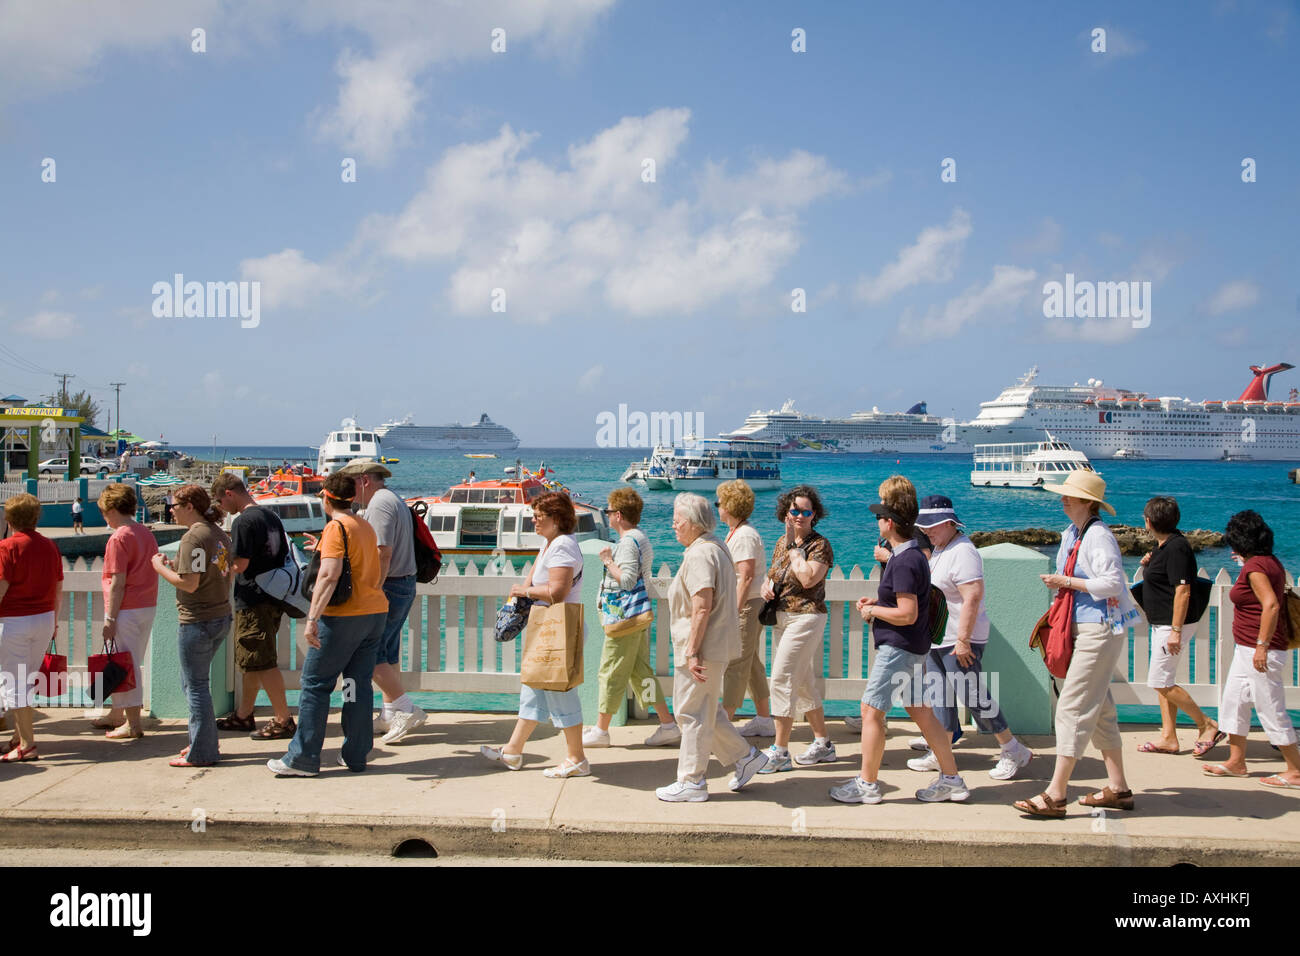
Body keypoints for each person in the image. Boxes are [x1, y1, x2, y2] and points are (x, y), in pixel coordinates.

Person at [831, 477, 970, 804]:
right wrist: (878, 605)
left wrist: (874, 611)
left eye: (879, 516)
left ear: (889, 522)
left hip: (900, 647)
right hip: (915, 648)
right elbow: (907, 606)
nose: (877, 521)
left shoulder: (904, 560)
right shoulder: (911, 556)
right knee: (921, 710)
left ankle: (867, 785)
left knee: (870, 710)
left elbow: (907, 613)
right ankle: (952, 780)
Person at [1014, 471, 1141, 817]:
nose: (1063, 499)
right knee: (1100, 710)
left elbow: (1113, 583)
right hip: (1084, 628)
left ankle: (1056, 794)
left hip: (1097, 629)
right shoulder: (1073, 533)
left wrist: (1066, 581)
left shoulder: (1097, 536)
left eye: (1070, 495)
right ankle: (1118, 789)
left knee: (1071, 707)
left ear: (1088, 502)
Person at [268, 473, 388, 776]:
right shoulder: (364, 526)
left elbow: (329, 574)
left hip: (344, 617)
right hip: (373, 614)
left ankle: (303, 758)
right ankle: (356, 754)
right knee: (354, 685)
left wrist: (312, 619)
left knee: (316, 684)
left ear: (325, 496)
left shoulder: (336, 527)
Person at [907, 495, 1033, 779]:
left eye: (933, 525)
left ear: (951, 523)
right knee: (940, 695)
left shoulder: (963, 551)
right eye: (925, 526)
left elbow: (972, 596)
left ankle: (1012, 748)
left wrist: (963, 640)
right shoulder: (941, 549)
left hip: (960, 639)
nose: (928, 531)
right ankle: (942, 753)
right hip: (939, 638)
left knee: (972, 694)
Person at [656, 493, 768, 801]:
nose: (673, 526)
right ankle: (745, 757)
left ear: (691, 523)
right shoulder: (715, 547)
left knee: (689, 713)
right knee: (706, 710)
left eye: (677, 520)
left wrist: (692, 650)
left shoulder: (700, 554)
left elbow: (702, 606)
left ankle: (692, 781)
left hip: (703, 648)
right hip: (715, 646)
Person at [481, 492, 590, 777]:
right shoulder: (550, 544)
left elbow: (557, 592)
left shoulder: (562, 546)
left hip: (561, 631)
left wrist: (523, 591)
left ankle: (577, 758)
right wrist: (522, 592)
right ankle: (513, 751)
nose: (533, 521)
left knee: (561, 695)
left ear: (556, 519)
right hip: (549, 630)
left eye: (538, 516)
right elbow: (534, 578)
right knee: (533, 691)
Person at [1202, 511, 1300, 787]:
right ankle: (1236, 761)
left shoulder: (1256, 567)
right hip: (1246, 649)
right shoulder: (1268, 562)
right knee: (1234, 702)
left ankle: (1295, 770)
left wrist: (1261, 647)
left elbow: (1270, 605)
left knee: (1270, 708)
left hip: (1260, 650)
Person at [584, 487, 679, 748]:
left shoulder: (627, 542)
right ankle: (667, 723)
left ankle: (601, 730)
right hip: (636, 616)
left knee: (610, 671)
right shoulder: (641, 538)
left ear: (618, 515)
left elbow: (626, 581)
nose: (607, 515)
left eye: (608, 511)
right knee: (640, 673)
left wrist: (607, 561)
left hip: (623, 618)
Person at [340, 459, 427, 744]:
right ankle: (390, 713)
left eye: (351, 484)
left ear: (364, 480)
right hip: (402, 582)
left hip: (389, 585)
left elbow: (382, 552)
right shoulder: (394, 499)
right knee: (387, 652)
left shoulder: (379, 503)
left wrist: (372, 588)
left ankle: (405, 707)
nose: (349, 492)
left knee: (371, 652)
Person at [150, 484, 232, 767]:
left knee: (195, 687)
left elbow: (190, 583)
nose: (169, 511)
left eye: (173, 505)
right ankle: (203, 741)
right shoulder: (217, 533)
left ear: (189, 507)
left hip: (197, 620)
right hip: (220, 616)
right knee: (195, 684)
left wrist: (160, 568)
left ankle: (203, 751)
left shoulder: (193, 538)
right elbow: (213, 572)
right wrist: (176, 565)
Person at [210, 473, 296, 741]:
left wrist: (218, 565)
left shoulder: (244, 520)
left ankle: (283, 719)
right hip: (273, 596)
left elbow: (240, 565)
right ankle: (244, 714)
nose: (222, 508)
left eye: (221, 502)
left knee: (263, 662)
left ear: (229, 493)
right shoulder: (270, 516)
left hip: (253, 599)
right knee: (252, 661)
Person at [757, 485, 835, 773]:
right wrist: (766, 587)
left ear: (814, 515)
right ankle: (823, 743)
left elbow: (807, 579)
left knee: (781, 679)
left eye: (806, 511)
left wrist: (794, 548)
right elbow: (773, 575)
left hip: (806, 617)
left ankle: (780, 751)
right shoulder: (781, 542)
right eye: (795, 510)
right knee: (801, 682)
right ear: (786, 513)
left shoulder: (819, 545)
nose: (800, 516)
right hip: (782, 617)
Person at [1136, 496, 1223, 756]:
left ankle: (1207, 724)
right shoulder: (1164, 546)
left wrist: (1175, 630)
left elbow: (1183, 590)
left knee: (1159, 682)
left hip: (1172, 625)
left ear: (1149, 521)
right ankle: (1168, 737)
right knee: (1165, 680)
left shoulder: (1177, 548)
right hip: (1162, 623)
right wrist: (1148, 564)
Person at [93, 483, 159, 740]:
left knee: (126, 664)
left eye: (104, 511)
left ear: (111, 509)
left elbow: (118, 581)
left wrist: (110, 618)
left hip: (127, 609)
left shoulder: (119, 537)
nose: (104, 517)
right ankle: (116, 713)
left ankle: (132, 723)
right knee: (130, 661)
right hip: (146, 605)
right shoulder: (145, 532)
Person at [0, 494, 62, 761]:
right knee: (25, 680)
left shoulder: (6, 547)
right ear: (36, 517)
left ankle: (27, 744)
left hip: (13, 621)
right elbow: (58, 588)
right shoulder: (49, 546)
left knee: (13, 683)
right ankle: (18, 737)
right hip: (44, 618)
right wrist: (55, 621)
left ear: (9, 519)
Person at [717, 480, 774, 736]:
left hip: (747, 605)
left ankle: (725, 722)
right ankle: (764, 718)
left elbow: (746, 577)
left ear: (729, 506)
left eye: (719, 503)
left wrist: (733, 611)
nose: (717, 507)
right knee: (750, 662)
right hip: (747, 603)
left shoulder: (744, 535)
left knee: (736, 663)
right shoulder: (738, 532)